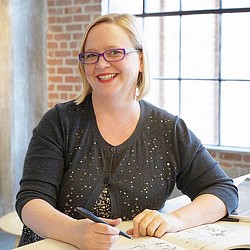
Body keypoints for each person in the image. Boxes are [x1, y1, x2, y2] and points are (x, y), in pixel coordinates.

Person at [15, 13, 238, 250]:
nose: (101, 64)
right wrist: (75, 232)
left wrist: (173, 220)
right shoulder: (59, 122)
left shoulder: (168, 130)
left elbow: (223, 190)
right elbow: (31, 201)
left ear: (140, 59)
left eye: (114, 52)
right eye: (91, 55)